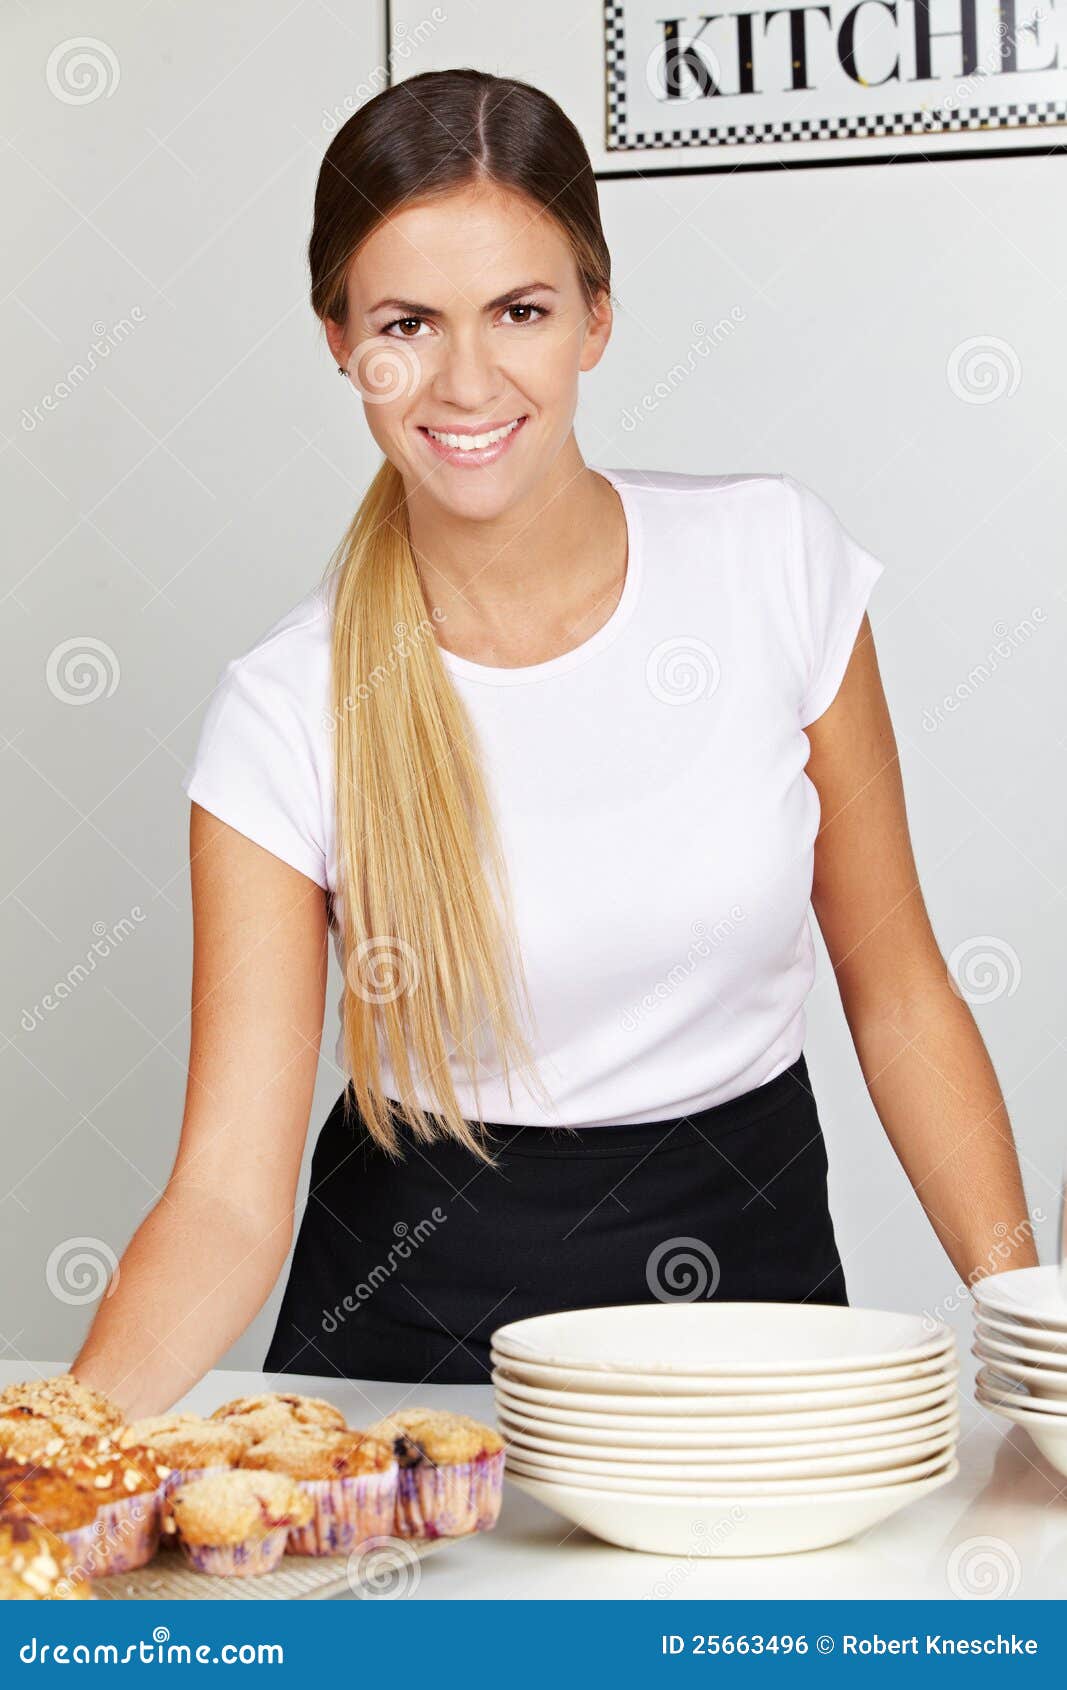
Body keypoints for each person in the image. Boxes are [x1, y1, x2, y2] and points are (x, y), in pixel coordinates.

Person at [72, 69, 1035, 1414]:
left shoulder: (775, 564)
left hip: (749, 1323)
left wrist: (1031, 1338)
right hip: (409, 1347)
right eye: (408, 321)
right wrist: (57, 1469)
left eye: (519, 311)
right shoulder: (283, 709)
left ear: (595, 315)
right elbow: (228, 1198)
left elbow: (903, 993)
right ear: (340, 340)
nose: (467, 379)